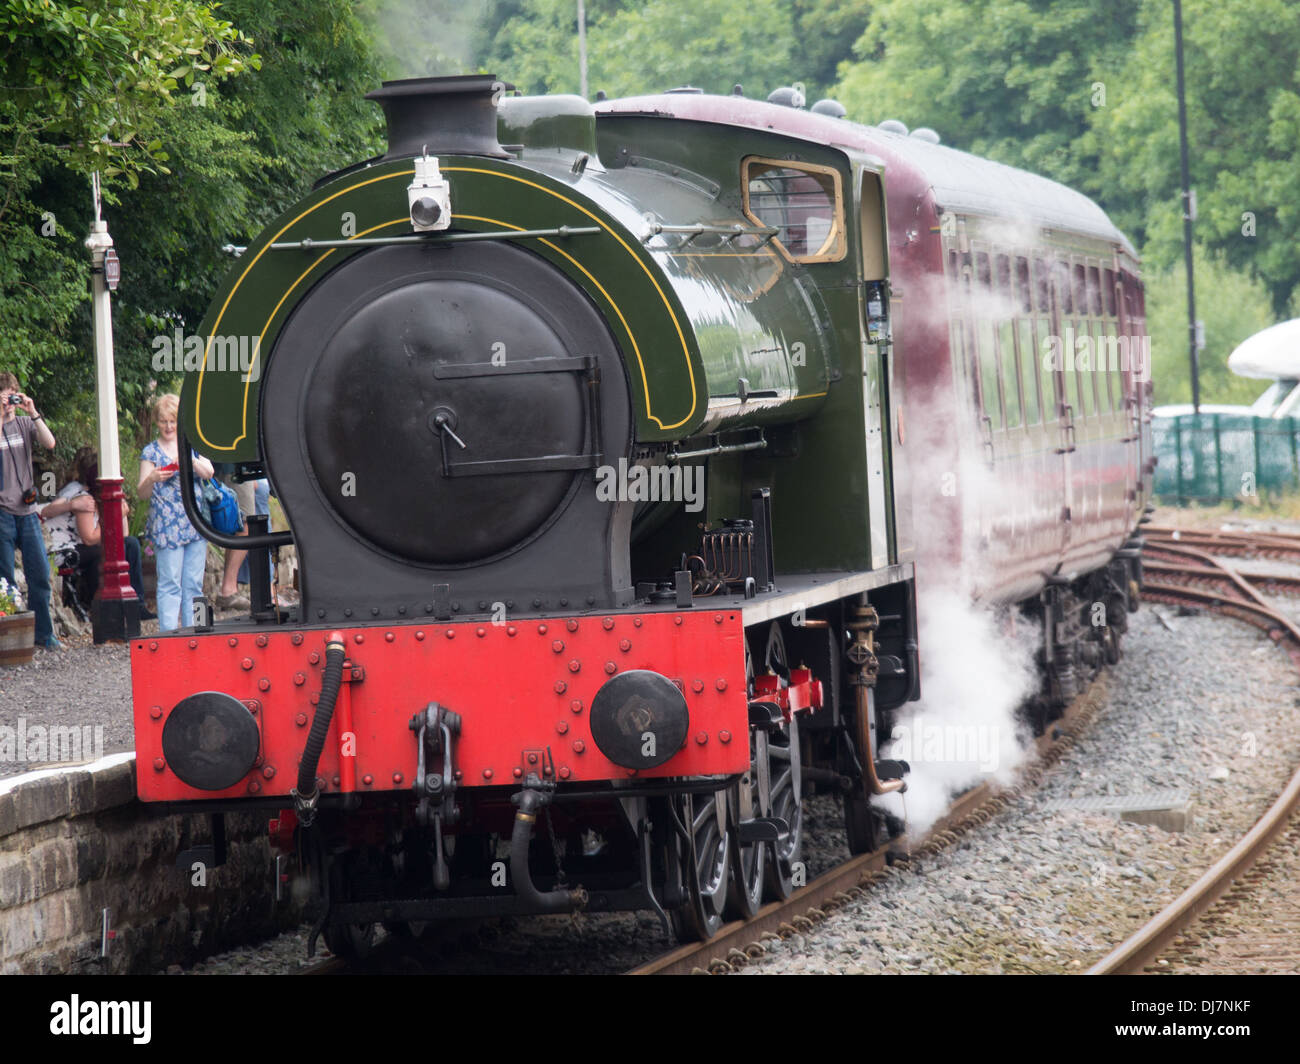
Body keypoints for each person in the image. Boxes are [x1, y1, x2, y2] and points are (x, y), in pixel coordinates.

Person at [40, 447, 153, 618]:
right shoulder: (86, 500)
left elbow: (123, 535)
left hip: (81, 545)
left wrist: (120, 512)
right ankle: (104, 608)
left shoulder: (111, 497)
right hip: (64, 548)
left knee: (130, 544)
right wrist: (113, 517)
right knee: (100, 552)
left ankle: (137, 604)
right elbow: (90, 539)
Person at [138, 394, 213, 631]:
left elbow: (209, 472)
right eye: (163, 421)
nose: (169, 427)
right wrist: (152, 477)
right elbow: (142, 493)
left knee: (194, 583)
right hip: (166, 524)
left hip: (194, 521)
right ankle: (168, 635)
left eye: (173, 421)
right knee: (169, 582)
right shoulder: (150, 452)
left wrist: (188, 460)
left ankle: (198, 632)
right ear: (156, 422)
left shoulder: (194, 443)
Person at [0, 372, 58, 649]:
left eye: (11, 395)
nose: (8, 403)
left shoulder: (24, 424)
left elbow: (49, 443)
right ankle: (11, 640)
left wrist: (32, 412)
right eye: (3, 397)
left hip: (28, 511)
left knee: (40, 575)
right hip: (2, 514)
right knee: (5, 579)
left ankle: (44, 635)